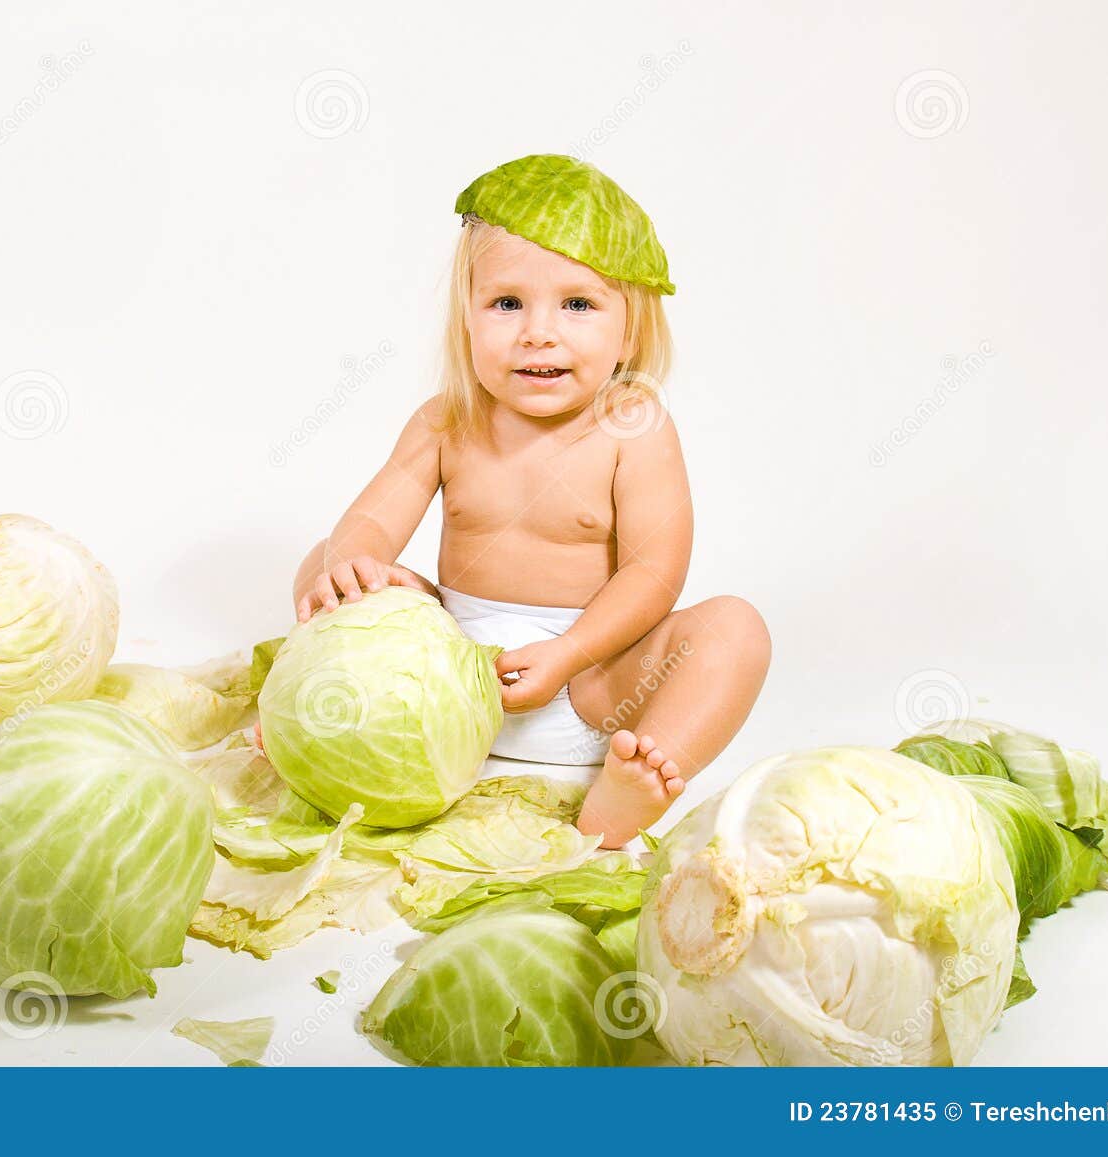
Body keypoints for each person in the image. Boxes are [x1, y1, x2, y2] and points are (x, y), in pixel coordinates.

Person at [260, 154, 771, 849]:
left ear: (630, 329)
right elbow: (375, 519)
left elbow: (655, 573)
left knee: (734, 630)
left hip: (595, 684)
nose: (538, 331)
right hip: (442, 678)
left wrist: (568, 653)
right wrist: (355, 562)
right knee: (323, 560)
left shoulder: (634, 427)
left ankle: (634, 780)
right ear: (467, 317)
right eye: (507, 303)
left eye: (578, 304)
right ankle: (317, 718)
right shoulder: (447, 420)